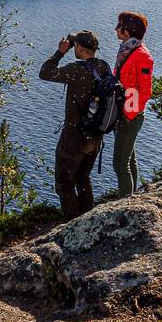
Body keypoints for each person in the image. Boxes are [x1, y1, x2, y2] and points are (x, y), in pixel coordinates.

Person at [39, 29, 111, 220]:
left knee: (64, 181)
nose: (73, 48)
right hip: (96, 136)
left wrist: (60, 52)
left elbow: (45, 73)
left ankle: (71, 221)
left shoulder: (76, 70)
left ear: (78, 47)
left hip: (74, 136)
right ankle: (87, 217)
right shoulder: (104, 66)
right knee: (82, 176)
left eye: (74, 45)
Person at [112, 11, 153, 196]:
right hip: (122, 113)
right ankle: (132, 199)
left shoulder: (142, 56)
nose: (116, 29)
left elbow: (145, 91)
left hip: (131, 116)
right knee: (129, 159)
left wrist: (128, 115)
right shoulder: (127, 50)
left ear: (127, 31)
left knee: (120, 163)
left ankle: (125, 204)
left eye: (119, 25)